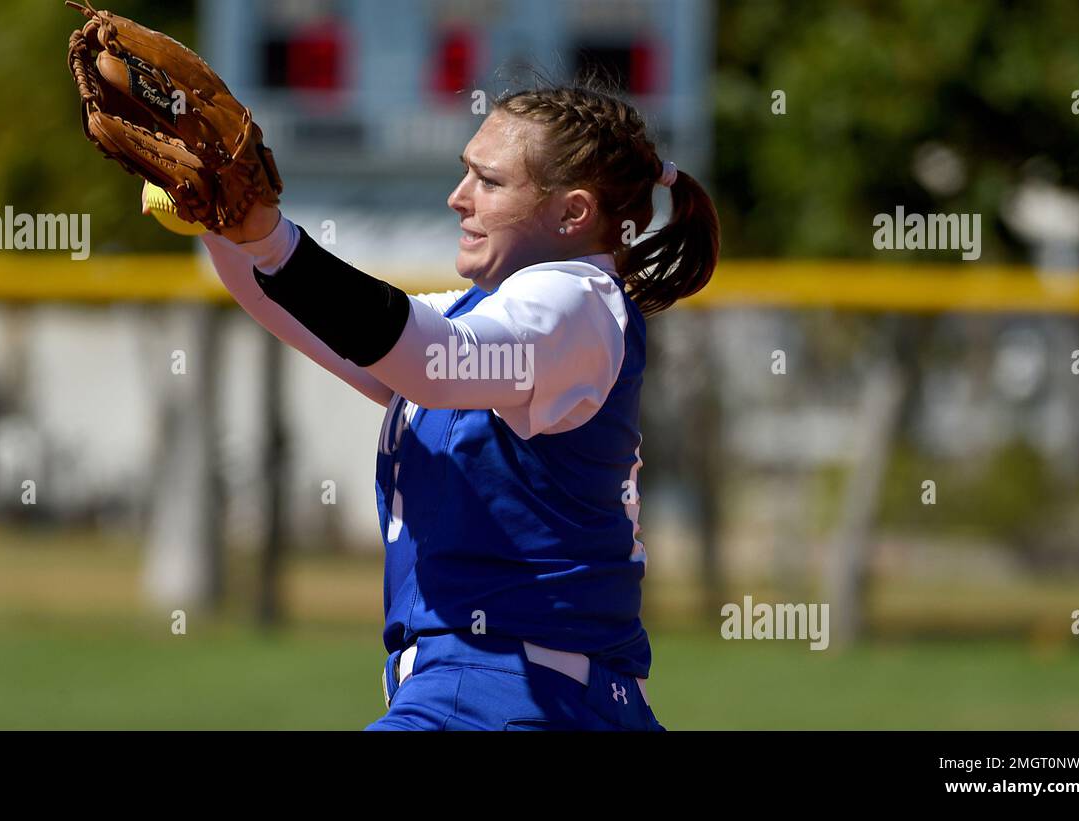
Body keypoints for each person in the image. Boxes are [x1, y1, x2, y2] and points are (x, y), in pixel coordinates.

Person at [199, 84, 719, 730]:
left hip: (513, 694)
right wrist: (221, 223)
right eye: (465, 171)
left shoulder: (576, 304)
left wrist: (272, 241)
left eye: (489, 180)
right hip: (515, 698)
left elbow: (427, 360)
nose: (458, 196)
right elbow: (307, 317)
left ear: (572, 213)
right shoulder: (486, 316)